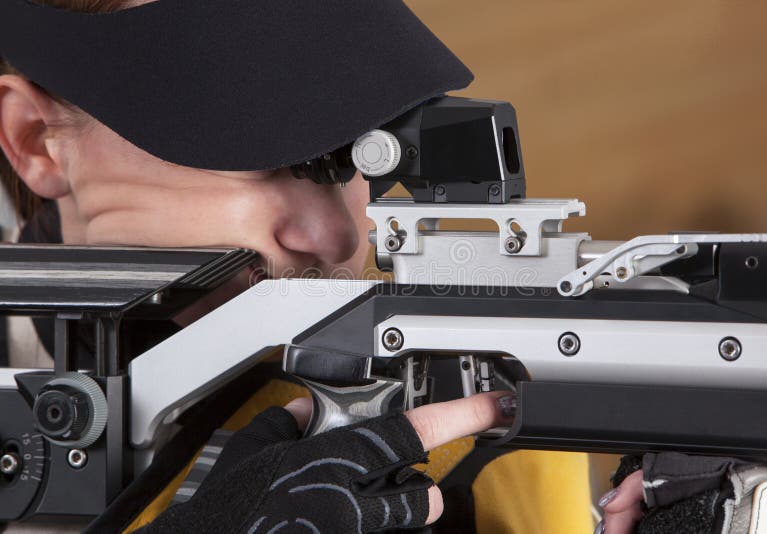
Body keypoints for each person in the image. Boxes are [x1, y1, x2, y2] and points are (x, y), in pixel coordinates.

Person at [0, 0, 602, 533]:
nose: (338, 237)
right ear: (34, 140)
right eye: (253, 155)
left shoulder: (485, 404)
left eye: (361, 154)